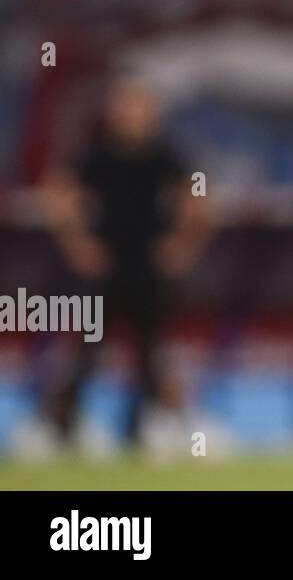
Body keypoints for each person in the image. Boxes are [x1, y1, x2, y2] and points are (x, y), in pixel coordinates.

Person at [40, 72, 212, 448]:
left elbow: (198, 196)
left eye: (141, 106)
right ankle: (59, 431)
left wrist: (183, 245)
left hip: (147, 271)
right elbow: (57, 192)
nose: (134, 114)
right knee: (86, 353)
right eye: (127, 106)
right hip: (106, 270)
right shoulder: (97, 154)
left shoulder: (167, 155)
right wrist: (78, 244)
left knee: (150, 357)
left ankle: (140, 433)